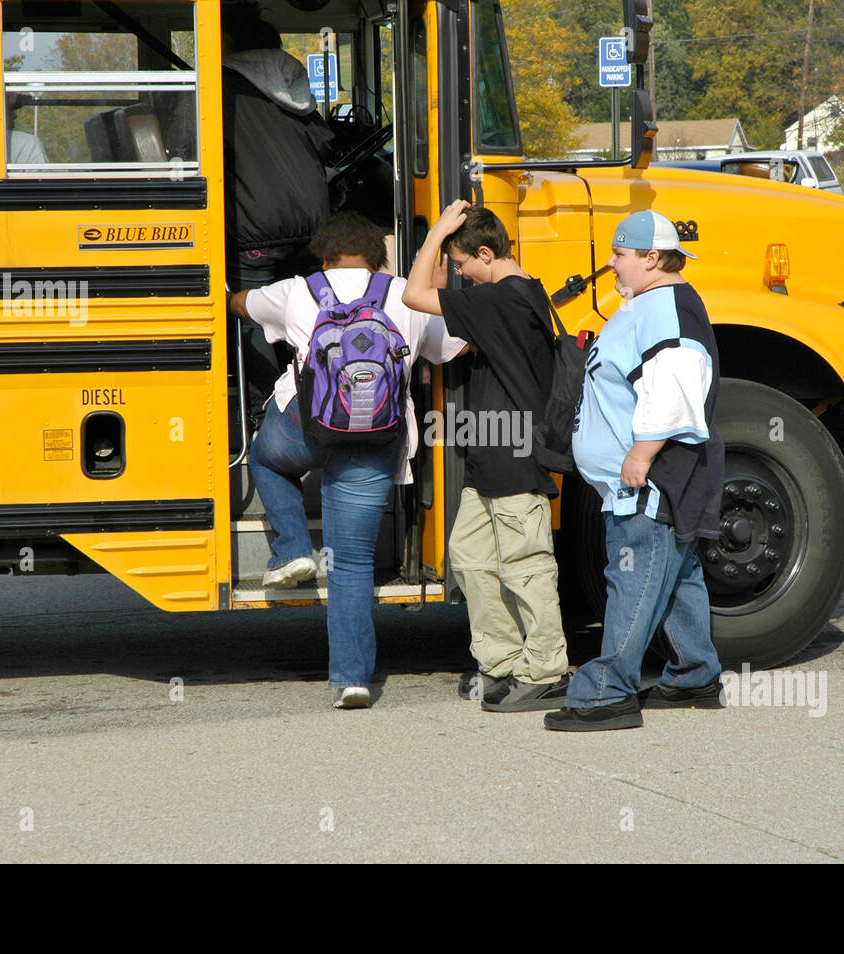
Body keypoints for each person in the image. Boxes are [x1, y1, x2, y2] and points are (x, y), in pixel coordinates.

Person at [228, 212, 466, 710]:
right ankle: (351, 679)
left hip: (307, 430)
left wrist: (232, 289)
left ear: (325, 256)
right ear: (379, 257)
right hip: (376, 435)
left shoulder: (297, 289)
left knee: (267, 461)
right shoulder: (405, 291)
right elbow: (447, 350)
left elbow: (240, 305)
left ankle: (291, 547)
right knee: (351, 563)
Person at [545, 210, 725, 732]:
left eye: (620, 255)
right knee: (674, 576)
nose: (612, 263)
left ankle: (606, 692)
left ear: (651, 258)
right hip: (645, 479)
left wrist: (642, 454)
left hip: (651, 479)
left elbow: (672, 386)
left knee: (633, 577)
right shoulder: (652, 305)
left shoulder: (665, 311)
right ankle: (695, 673)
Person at [402, 200, 571, 713]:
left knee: (525, 567)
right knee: (472, 560)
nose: (459, 276)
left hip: (516, 459)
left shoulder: (503, 298)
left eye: (461, 265)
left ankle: (546, 670)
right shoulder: (523, 295)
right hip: (490, 459)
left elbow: (412, 294)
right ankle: (501, 663)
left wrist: (434, 235)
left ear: (484, 253)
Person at [220, 4, 333, 289]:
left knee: (253, 316)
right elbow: (326, 144)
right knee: (307, 312)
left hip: (253, 233)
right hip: (313, 228)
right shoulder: (295, 86)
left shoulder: (220, 87)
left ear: (228, 43)